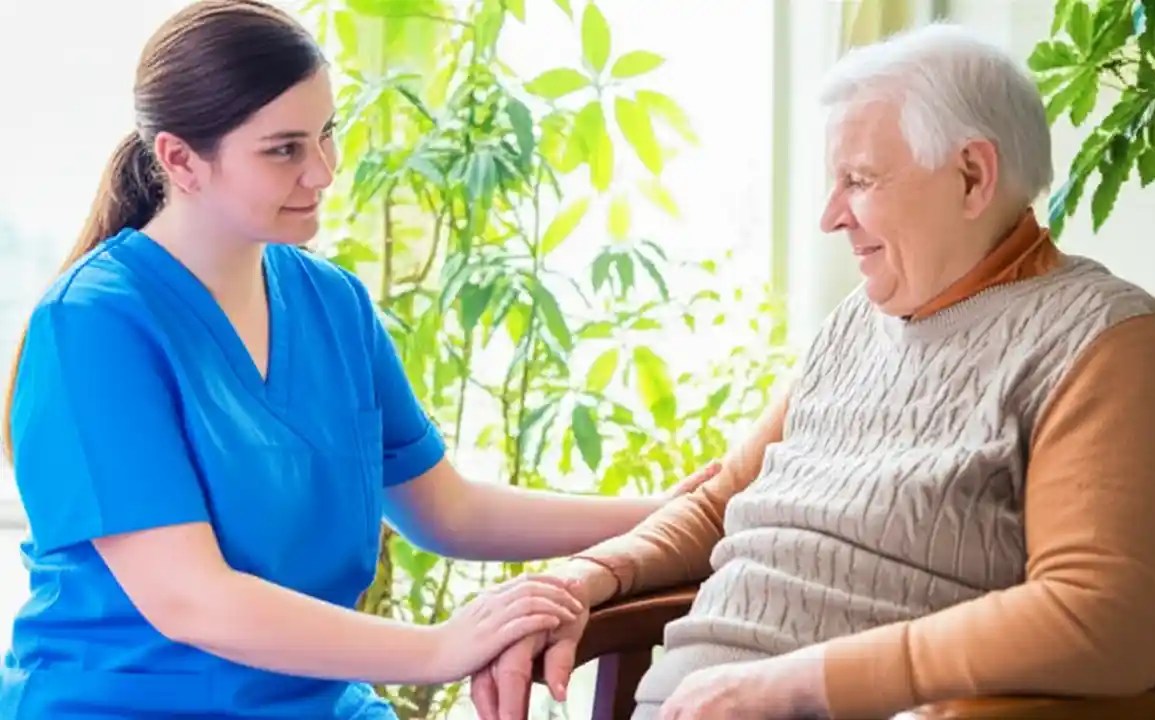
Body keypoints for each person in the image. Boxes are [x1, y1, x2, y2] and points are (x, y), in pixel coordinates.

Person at [469, 23, 1155, 720]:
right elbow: (724, 501)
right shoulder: (858, 323)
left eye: (859, 180)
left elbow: (1109, 617)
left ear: (971, 175)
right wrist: (582, 580)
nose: (831, 215)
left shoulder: (1104, 341)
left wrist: (800, 684)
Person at [0, 2, 717, 718]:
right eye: (284, 149)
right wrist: (441, 647)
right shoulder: (92, 327)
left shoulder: (331, 302)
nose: (323, 172)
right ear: (180, 160)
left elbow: (446, 512)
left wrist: (680, 516)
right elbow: (194, 601)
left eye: (327, 134)